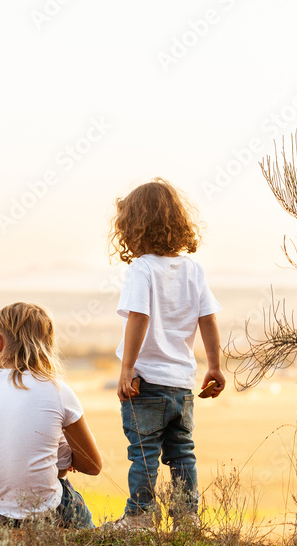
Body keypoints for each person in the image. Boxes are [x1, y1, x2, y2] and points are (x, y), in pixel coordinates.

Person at [110, 178, 225, 527]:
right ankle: (187, 520)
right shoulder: (193, 270)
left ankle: (141, 518)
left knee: (143, 453)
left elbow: (139, 316)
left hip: (146, 384)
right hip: (181, 385)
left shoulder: (141, 269)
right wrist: (215, 367)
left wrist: (127, 368)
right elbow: (208, 319)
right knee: (182, 455)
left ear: (134, 226)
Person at [0, 302, 103, 528]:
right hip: (42, 515)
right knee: (69, 497)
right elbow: (92, 465)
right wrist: (63, 458)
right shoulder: (57, 390)